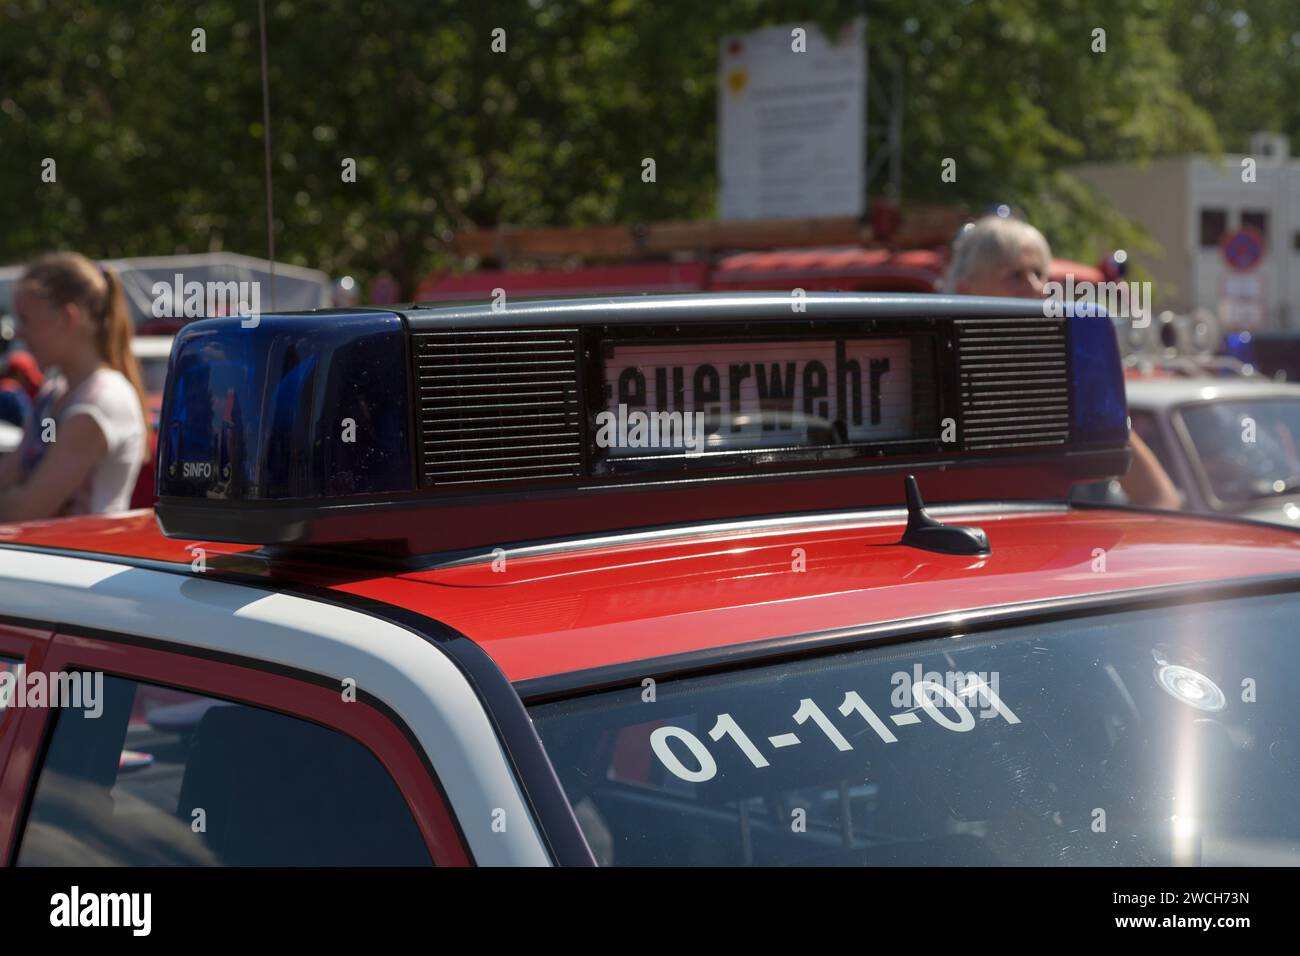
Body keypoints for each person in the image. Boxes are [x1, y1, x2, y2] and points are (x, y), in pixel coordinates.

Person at [946, 216, 1181, 510]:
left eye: (1039, 274)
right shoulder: (945, 391)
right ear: (966, 291)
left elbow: (1160, 499)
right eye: (1015, 276)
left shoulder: (1069, 385)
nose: (1037, 288)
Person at [0, 253, 149, 520]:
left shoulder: (101, 401)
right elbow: (15, 470)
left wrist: (16, 494)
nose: (19, 333)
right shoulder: (54, 392)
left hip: (84, 548)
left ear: (68, 318)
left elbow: (26, 511)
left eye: (26, 319)